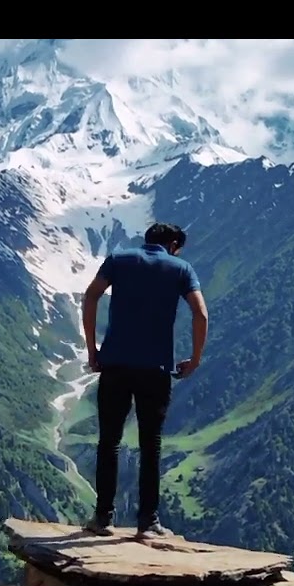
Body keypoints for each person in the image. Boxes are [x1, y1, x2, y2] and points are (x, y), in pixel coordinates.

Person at [79, 222, 209, 539]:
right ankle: (148, 523)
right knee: (150, 445)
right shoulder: (181, 268)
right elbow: (200, 314)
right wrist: (194, 358)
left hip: (115, 365)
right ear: (173, 244)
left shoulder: (119, 259)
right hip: (155, 369)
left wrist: (92, 349)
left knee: (108, 442)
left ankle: (102, 518)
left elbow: (91, 296)